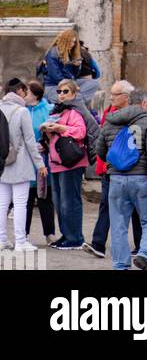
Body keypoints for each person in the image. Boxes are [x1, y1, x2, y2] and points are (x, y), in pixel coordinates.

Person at [96, 80, 147, 271]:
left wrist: (115, 163)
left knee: (118, 224)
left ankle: (120, 265)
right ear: (143, 104)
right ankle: (145, 254)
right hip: (142, 178)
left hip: (116, 179)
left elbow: (99, 151)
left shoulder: (110, 120)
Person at [84, 80, 142, 261]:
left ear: (125, 97)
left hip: (131, 170)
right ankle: (98, 244)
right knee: (106, 205)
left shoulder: (136, 116)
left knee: (135, 209)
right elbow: (102, 141)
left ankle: (141, 245)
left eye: (115, 95)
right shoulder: (109, 113)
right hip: (110, 169)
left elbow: (139, 143)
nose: (111, 97)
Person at [1, 77, 47, 252]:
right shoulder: (22, 112)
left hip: (2, 162)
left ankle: (2, 239)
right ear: (19, 91)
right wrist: (40, 164)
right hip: (20, 162)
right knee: (20, 203)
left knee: (2, 203)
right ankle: (20, 241)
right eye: (25, 91)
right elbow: (29, 141)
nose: (26, 94)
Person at [42, 78, 89, 250]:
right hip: (55, 162)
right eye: (59, 91)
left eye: (65, 91)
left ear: (74, 93)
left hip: (71, 163)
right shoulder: (57, 112)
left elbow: (80, 132)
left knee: (70, 201)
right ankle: (66, 235)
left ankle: (75, 238)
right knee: (59, 201)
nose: (61, 94)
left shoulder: (75, 112)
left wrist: (61, 128)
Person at [24, 80, 55, 245]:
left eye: (27, 92)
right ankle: (24, 235)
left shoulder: (48, 110)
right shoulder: (22, 110)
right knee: (26, 199)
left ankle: (50, 234)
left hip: (43, 160)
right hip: (26, 160)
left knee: (45, 197)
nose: (24, 95)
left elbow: (54, 133)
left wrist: (44, 145)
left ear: (35, 95)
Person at [39, 29, 100, 105]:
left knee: (94, 84)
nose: (72, 44)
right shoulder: (53, 53)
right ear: (64, 41)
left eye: (74, 42)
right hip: (54, 87)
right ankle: (76, 102)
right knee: (72, 93)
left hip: (69, 84)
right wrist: (73, 86)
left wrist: (76, 66)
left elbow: (74, 75)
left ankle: (75, 101)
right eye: (70, 42)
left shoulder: (69, 53)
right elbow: (56, 77)